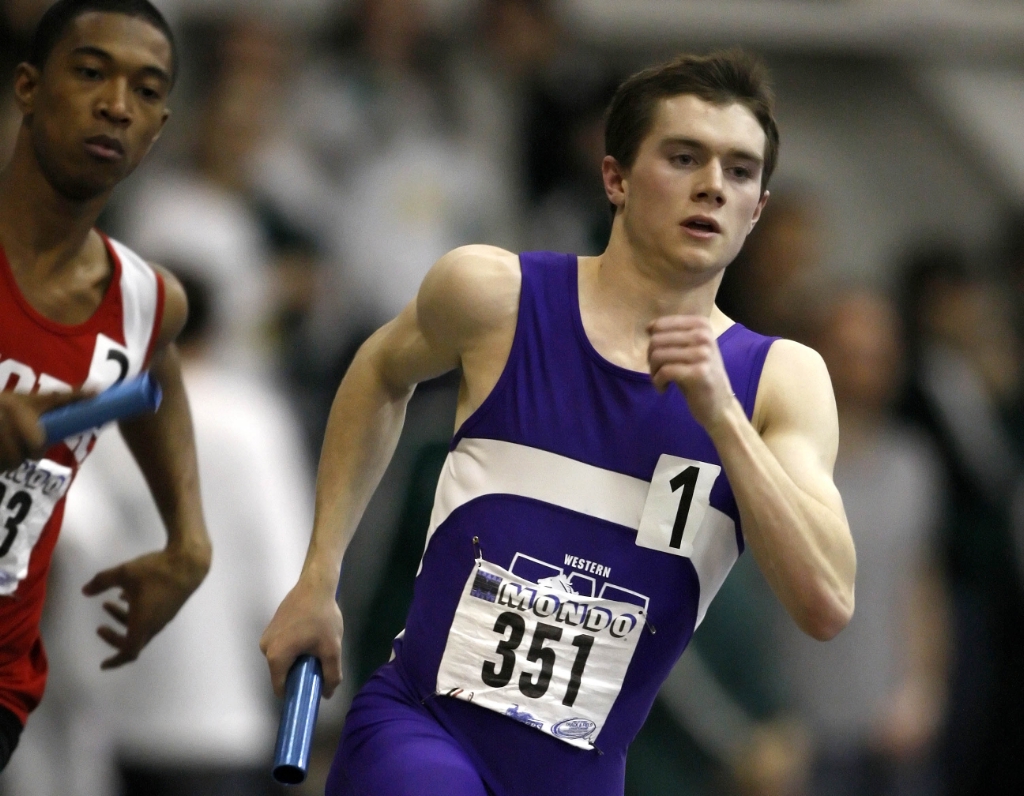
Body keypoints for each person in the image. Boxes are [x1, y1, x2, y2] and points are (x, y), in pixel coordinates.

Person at [261, 50, 856, 796]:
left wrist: (722, 418)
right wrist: (318, 578)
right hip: (421, 729)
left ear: (757, 208)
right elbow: (379, 374)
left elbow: (827, 602)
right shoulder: (495, 295)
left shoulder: (782, 382)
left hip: (579, 774)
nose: (713, 185)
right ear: (615, 178)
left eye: (740, 171)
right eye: (683, 157)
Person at [0, 0, 211, 772]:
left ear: (159, 126)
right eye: (90, 73)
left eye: (146, 91)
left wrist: (188, 540)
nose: (117, 106)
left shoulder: (147, 302)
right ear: (28, 86)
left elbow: (157, 371)